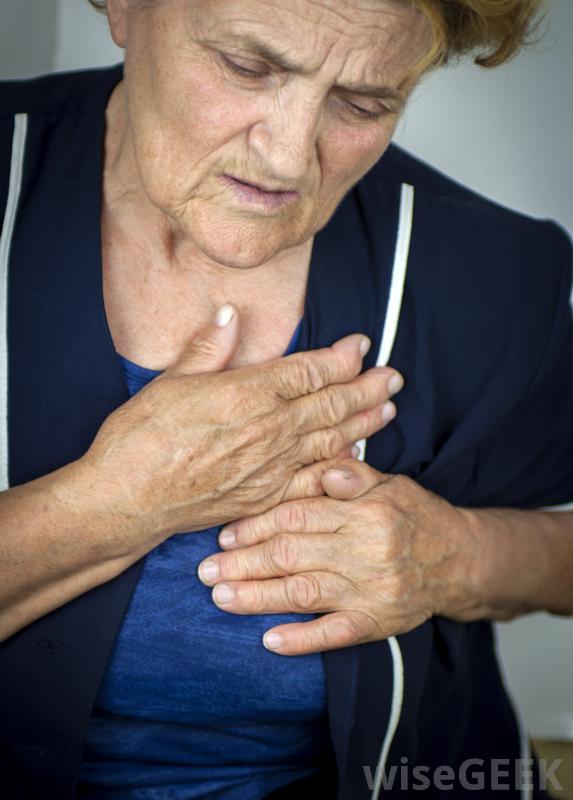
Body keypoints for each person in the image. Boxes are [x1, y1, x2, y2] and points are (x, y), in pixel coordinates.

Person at [0, 0, 571, 798]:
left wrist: (456, 557)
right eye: (246, 66)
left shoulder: (493, 271)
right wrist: (119, 501)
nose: (288, 157)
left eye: (363, 103)